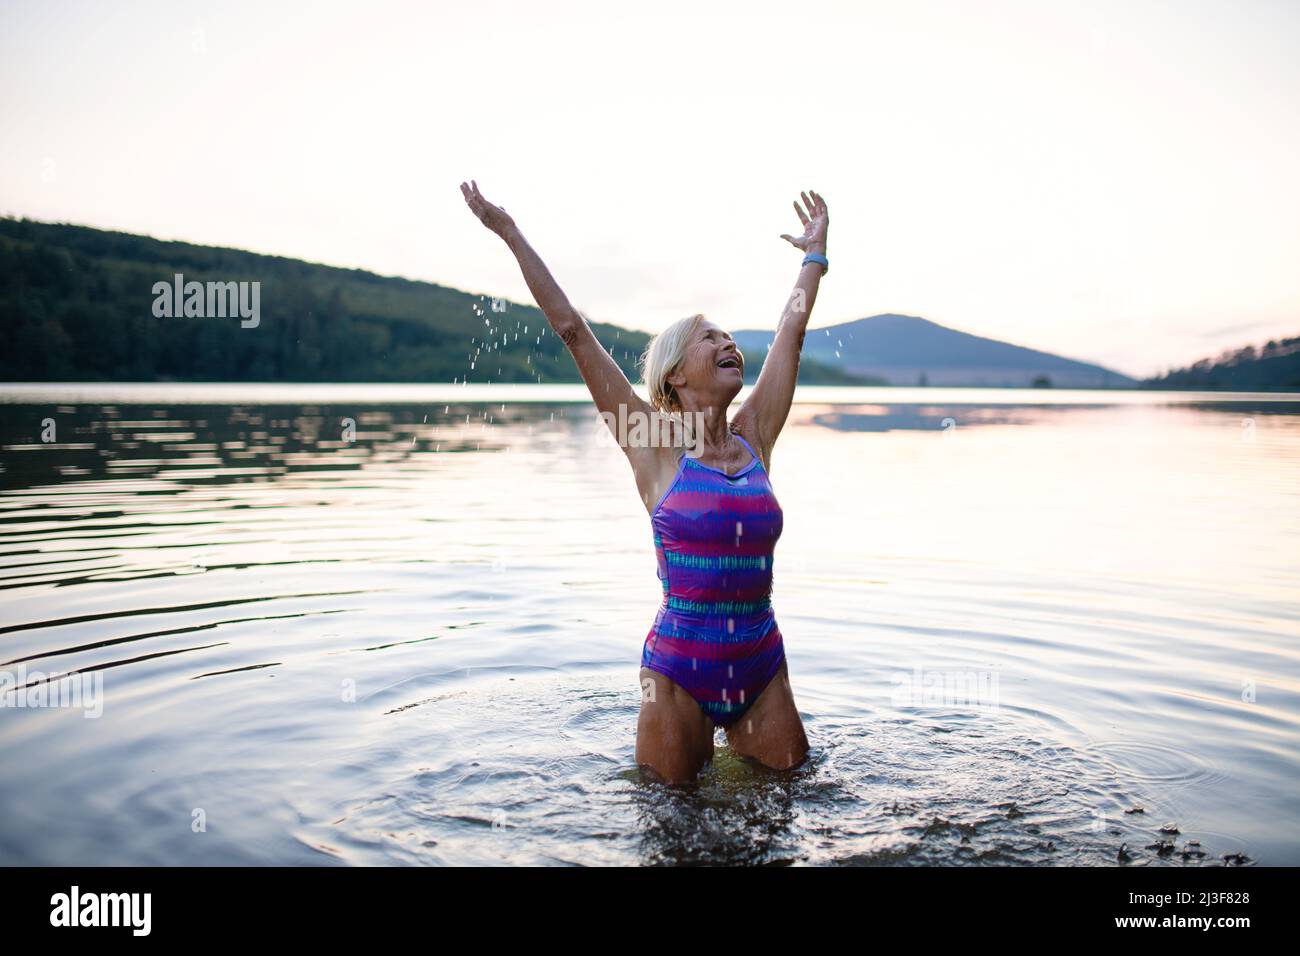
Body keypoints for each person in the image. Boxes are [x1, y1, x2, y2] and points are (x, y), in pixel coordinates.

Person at [461, 180, 829, 783]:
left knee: (787, 805)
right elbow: (572, 329)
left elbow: (791, 332)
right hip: (678, 673)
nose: (728, 341)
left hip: (761, 666)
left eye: (728, 335)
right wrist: (509, 233)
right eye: (708, 337)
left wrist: (813, 257)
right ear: (676, 376)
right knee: (672, 828)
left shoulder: (755, 434)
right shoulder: (649, 443)